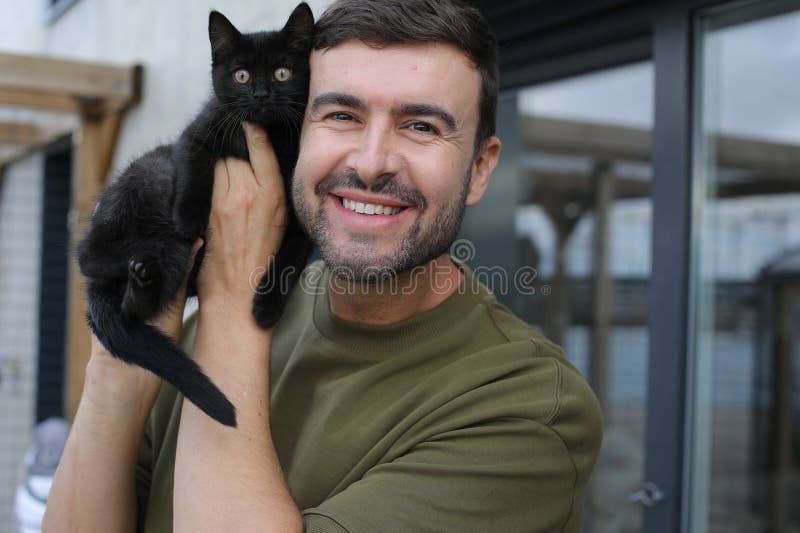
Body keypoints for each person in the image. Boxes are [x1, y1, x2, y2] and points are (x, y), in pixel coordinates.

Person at [43, 1, 603, 532]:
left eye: (421, 126)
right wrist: (119, 361)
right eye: (341, 114)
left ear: (480, 170)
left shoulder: (526, 409)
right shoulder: (199, 331)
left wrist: (235, 297)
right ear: (298, 135)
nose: (371, 163)